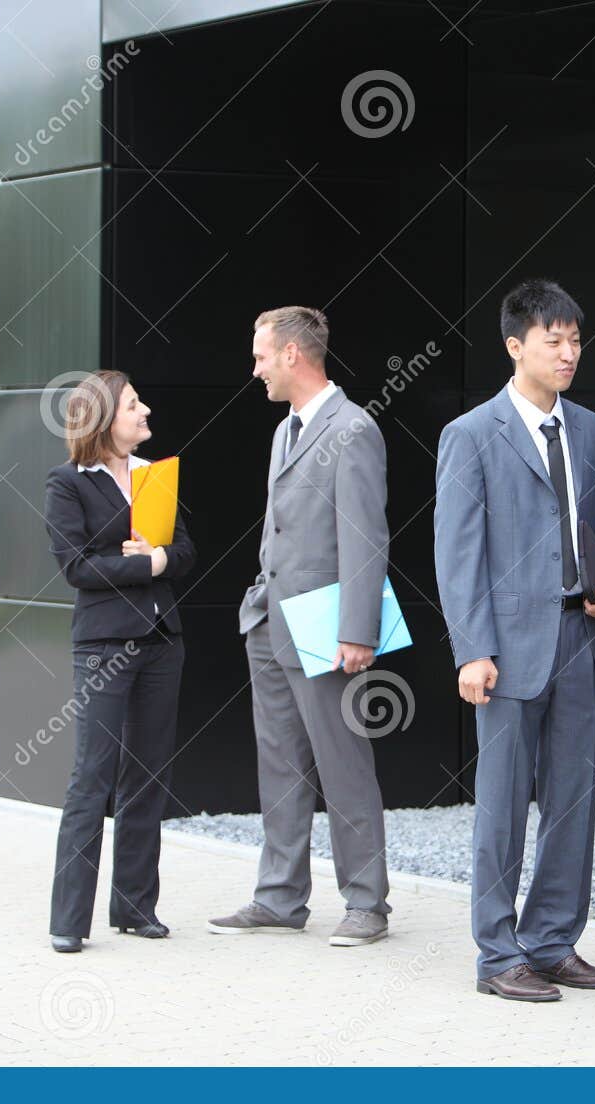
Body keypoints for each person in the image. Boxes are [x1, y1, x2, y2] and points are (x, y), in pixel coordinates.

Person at [434, 279, 595, 1002]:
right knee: (500, 802)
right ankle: (498, 954)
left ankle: (552, 941)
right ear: (515, 345)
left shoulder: (591, 430)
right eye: (554, 339)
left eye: (576, 339)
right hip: (508, 648)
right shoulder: (470, 434)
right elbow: (457, 555)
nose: (569, 351)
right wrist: (471, 648)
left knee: (573, 799)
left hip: (582, 637)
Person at [209, 306, 393, 948]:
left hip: (324, 626)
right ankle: (279, 898)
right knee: (280, 765)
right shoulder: (284, 430)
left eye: (261, 355)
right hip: (270, 621)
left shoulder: (354, 428)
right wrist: (258, 596)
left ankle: (367, 904)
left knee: (344, 765)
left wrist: (358, 632)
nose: (254, 368)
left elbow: (365, 538)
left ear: (292, 354)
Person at [43, 370, 196, 953]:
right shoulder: (67, 483)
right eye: (134, 404)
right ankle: (68, 920)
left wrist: (159, 558)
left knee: (148, 776)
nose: (145, 410)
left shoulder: (154, 476)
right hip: (105, 647)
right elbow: (77, 567)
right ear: (105, 418)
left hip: (162, 642)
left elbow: (184, 550)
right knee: (92, 778)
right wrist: (146, 565)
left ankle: (135, 908)